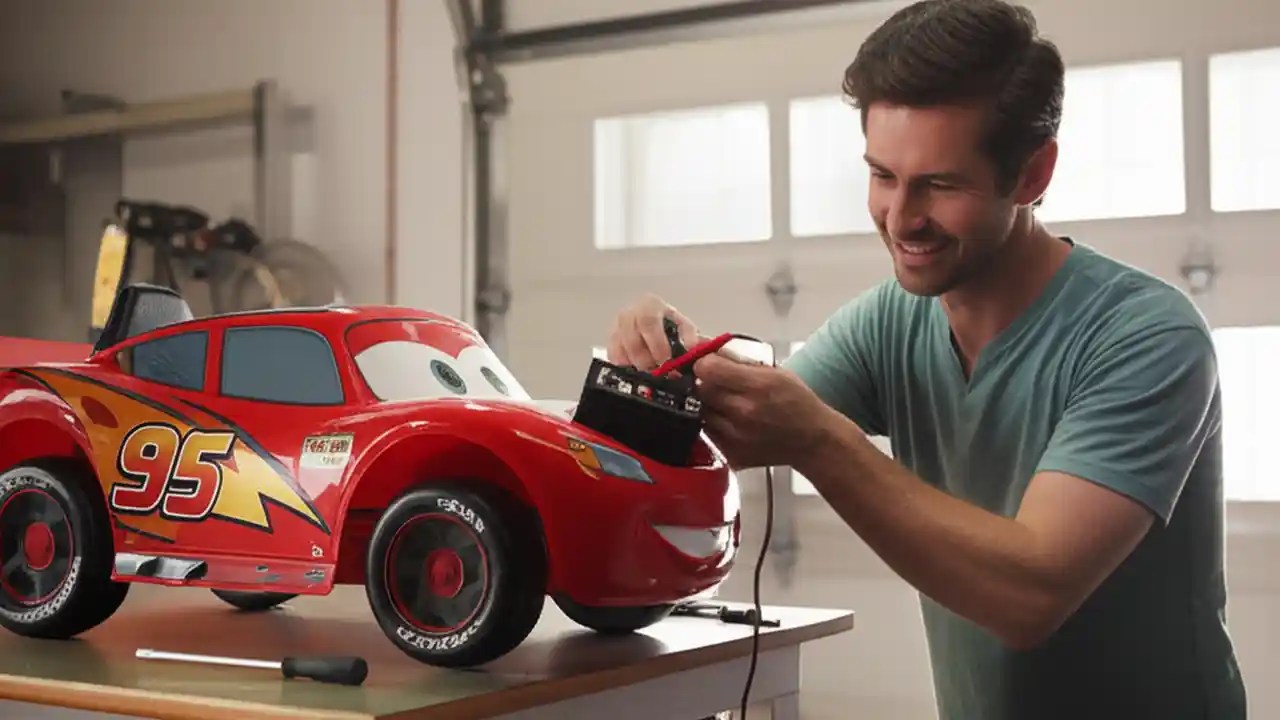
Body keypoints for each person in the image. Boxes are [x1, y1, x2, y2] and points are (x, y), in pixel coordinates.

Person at [605, 0, 1248, 718]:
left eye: (940, 185)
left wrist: (819, 439)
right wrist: (668, 365)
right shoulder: (893, 320)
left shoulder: (1147, 337)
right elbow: (750, 419)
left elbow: (1029, 595)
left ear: (1033, 174)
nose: (902, 217)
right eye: (883, 175)